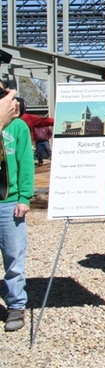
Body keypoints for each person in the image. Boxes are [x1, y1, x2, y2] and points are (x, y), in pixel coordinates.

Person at [0, 99, 34, 332]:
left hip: (8, 200)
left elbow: (25, 163)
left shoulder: (18, 127)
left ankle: (16, 304)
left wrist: (24, 197)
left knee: (13, 254)